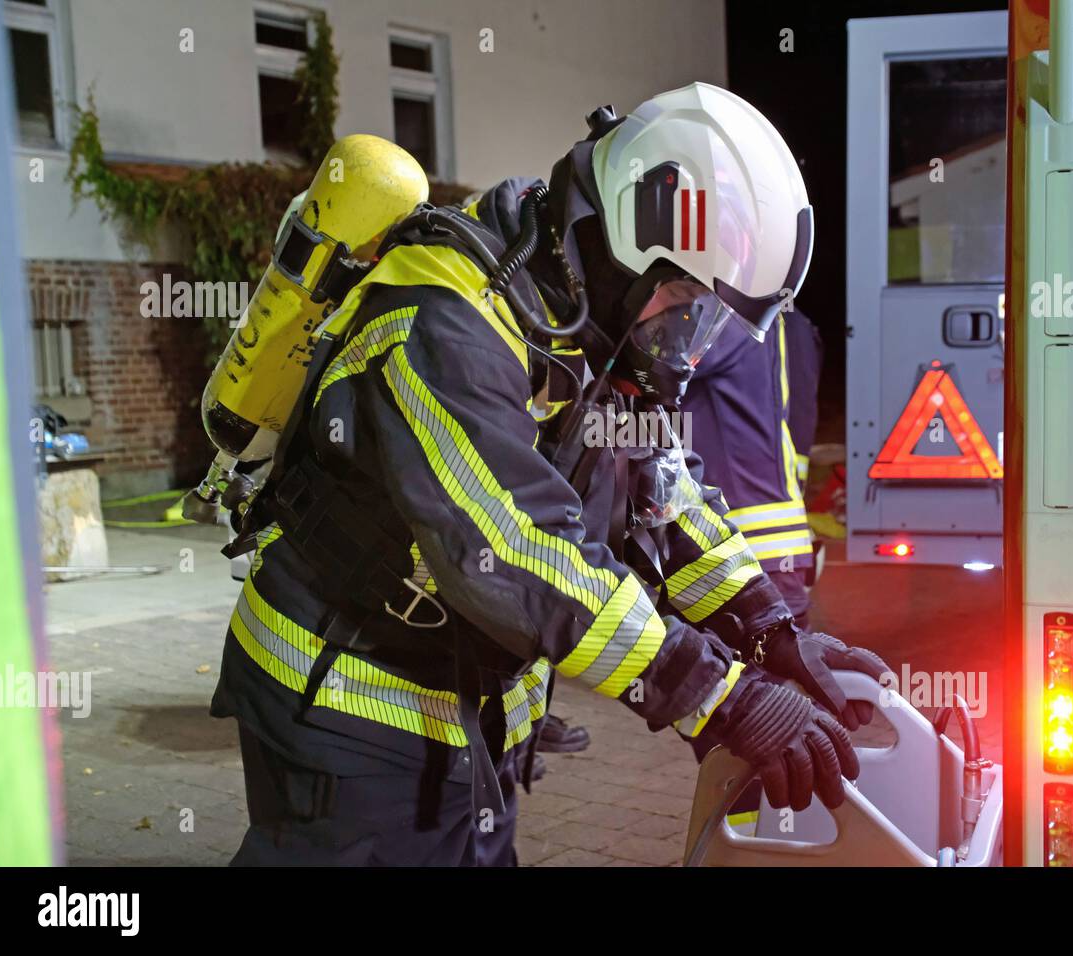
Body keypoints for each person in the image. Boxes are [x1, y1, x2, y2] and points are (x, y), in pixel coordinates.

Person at [211, 82, 885, 866]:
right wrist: (715, 697)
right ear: (625, 236)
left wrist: (768, 629)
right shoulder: (440, 319)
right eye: (681, 297)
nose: (685, 335)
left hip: (458, 706)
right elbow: (516, 547)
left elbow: (664, 497)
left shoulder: (585, 323)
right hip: (348, 705)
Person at [680, 308, 824, 625]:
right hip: (764, 541)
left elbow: (661, 357)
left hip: (748, 544)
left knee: (755, 666)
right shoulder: (772, 318)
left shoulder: (729, 319)